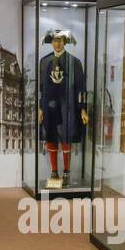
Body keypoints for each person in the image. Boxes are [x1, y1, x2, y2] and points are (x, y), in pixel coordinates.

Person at [37, 28, 87, 184]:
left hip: (68, 106)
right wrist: (40, 107)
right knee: (50, 136)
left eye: (60, 40)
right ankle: (54, 172)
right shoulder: (44, 62)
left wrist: (83, 109)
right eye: (54, 40)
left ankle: (66, 171)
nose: (57, 43)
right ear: (51, 42)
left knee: (65, 137)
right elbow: (40, 88)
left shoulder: (75, 62)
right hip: (49, 106)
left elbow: (81, 88)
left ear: (65, 42)